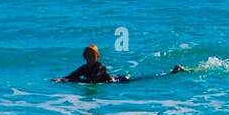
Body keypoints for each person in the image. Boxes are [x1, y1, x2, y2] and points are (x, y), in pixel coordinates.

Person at [54, 44, 187, 83]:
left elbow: (92, 81)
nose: (89, 57)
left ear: (97, 57)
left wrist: (72, 81)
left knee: (150, 77)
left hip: (121, 81)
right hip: (115, 80)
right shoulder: (83, 67)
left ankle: (173, 72)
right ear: (84, 56)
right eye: (87, 55)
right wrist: (61, 79)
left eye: (92, 55)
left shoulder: (100, 67)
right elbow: (71, 75)